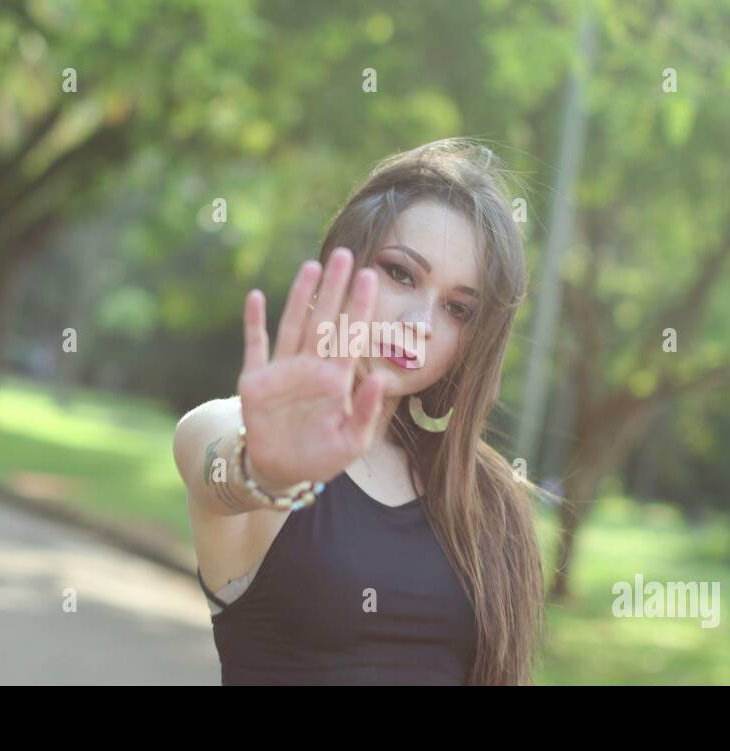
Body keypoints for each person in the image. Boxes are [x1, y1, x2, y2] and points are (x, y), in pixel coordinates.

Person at [172, 138, 547, 685]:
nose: (420, 320)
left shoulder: (488, 495)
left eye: (457, 308)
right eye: (401, 274)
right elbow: (217, 468)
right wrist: (266, 474)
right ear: (339, 270)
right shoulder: (229, 432)